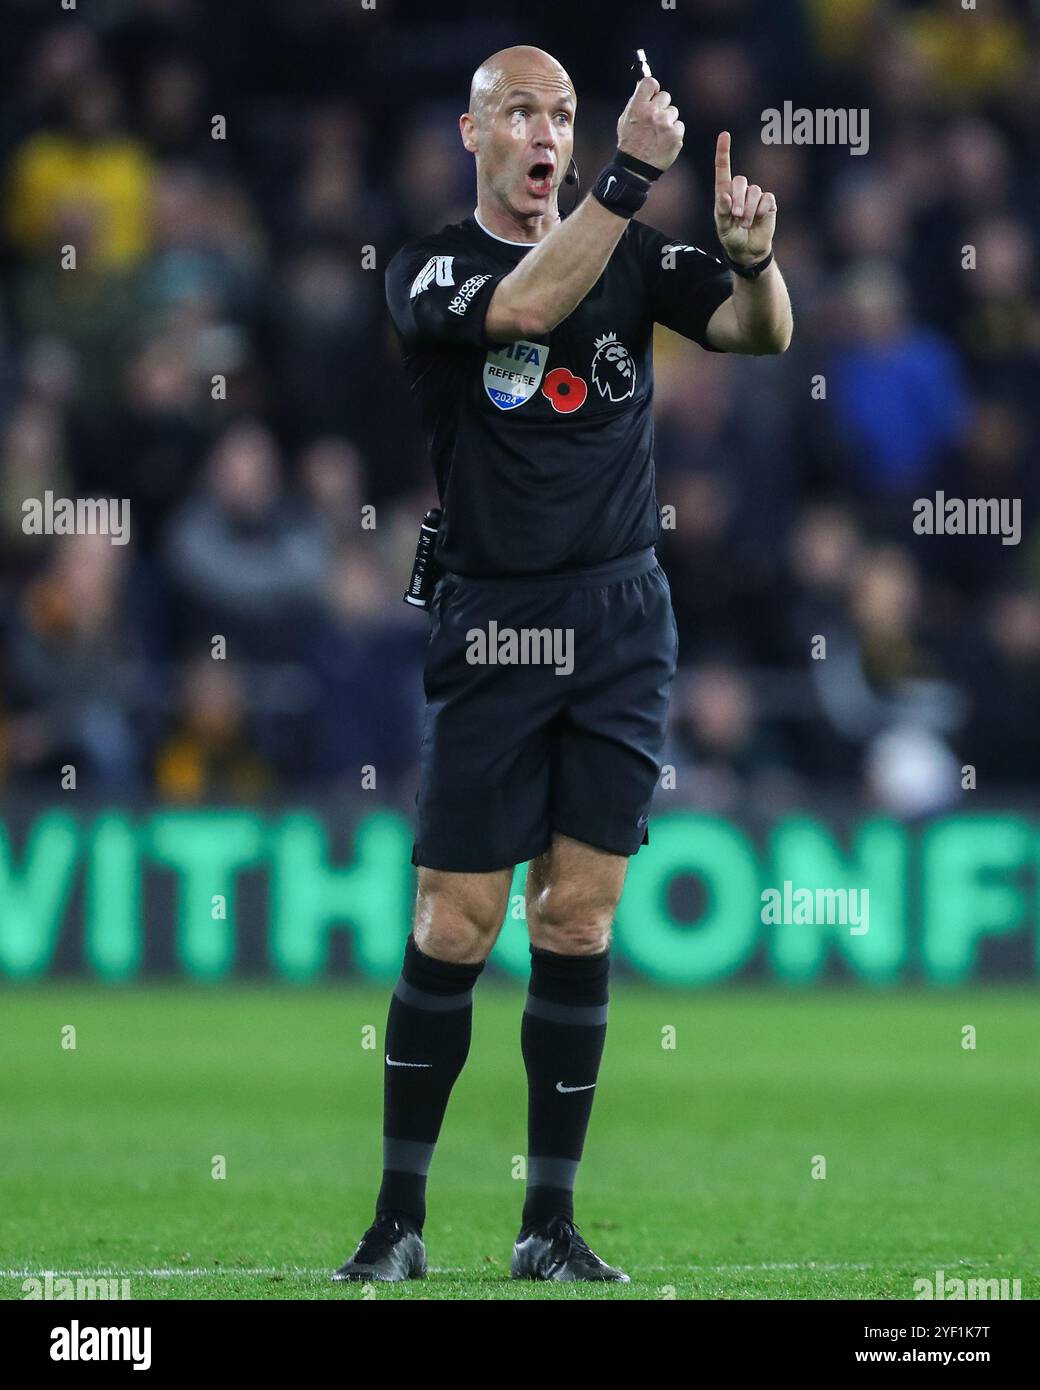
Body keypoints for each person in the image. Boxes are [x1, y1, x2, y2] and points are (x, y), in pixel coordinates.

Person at [334, 44, 792, 1284]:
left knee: (577, 921)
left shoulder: (625, 249)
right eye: (520, 113)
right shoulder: (430, 266)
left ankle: (547, 1226)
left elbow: (757, 333)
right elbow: (528, 307)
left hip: (620, 618)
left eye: (564, 115)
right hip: (490, 618)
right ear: (472, 134)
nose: (546, 132)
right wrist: (631, 182)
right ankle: (396, 1220)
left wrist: (753, 260)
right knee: (458, 917)